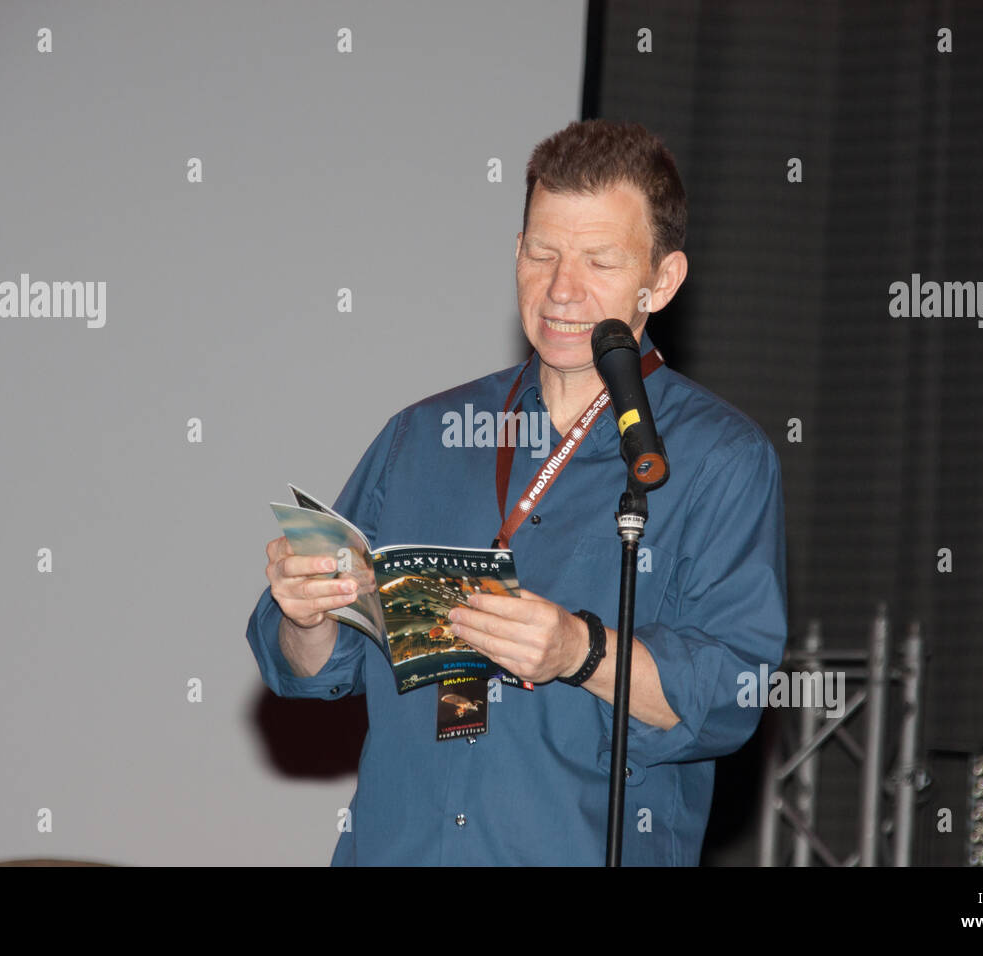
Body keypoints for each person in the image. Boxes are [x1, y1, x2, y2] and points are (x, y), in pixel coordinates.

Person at [245, 119, 787, 865]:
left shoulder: (719, 458)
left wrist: (578, 649)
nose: (561, 290)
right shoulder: (423, 436)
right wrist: (305, 616)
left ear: (660, 281)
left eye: (599, 260)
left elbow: (733, 695)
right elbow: (312, 671)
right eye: (541, 253)